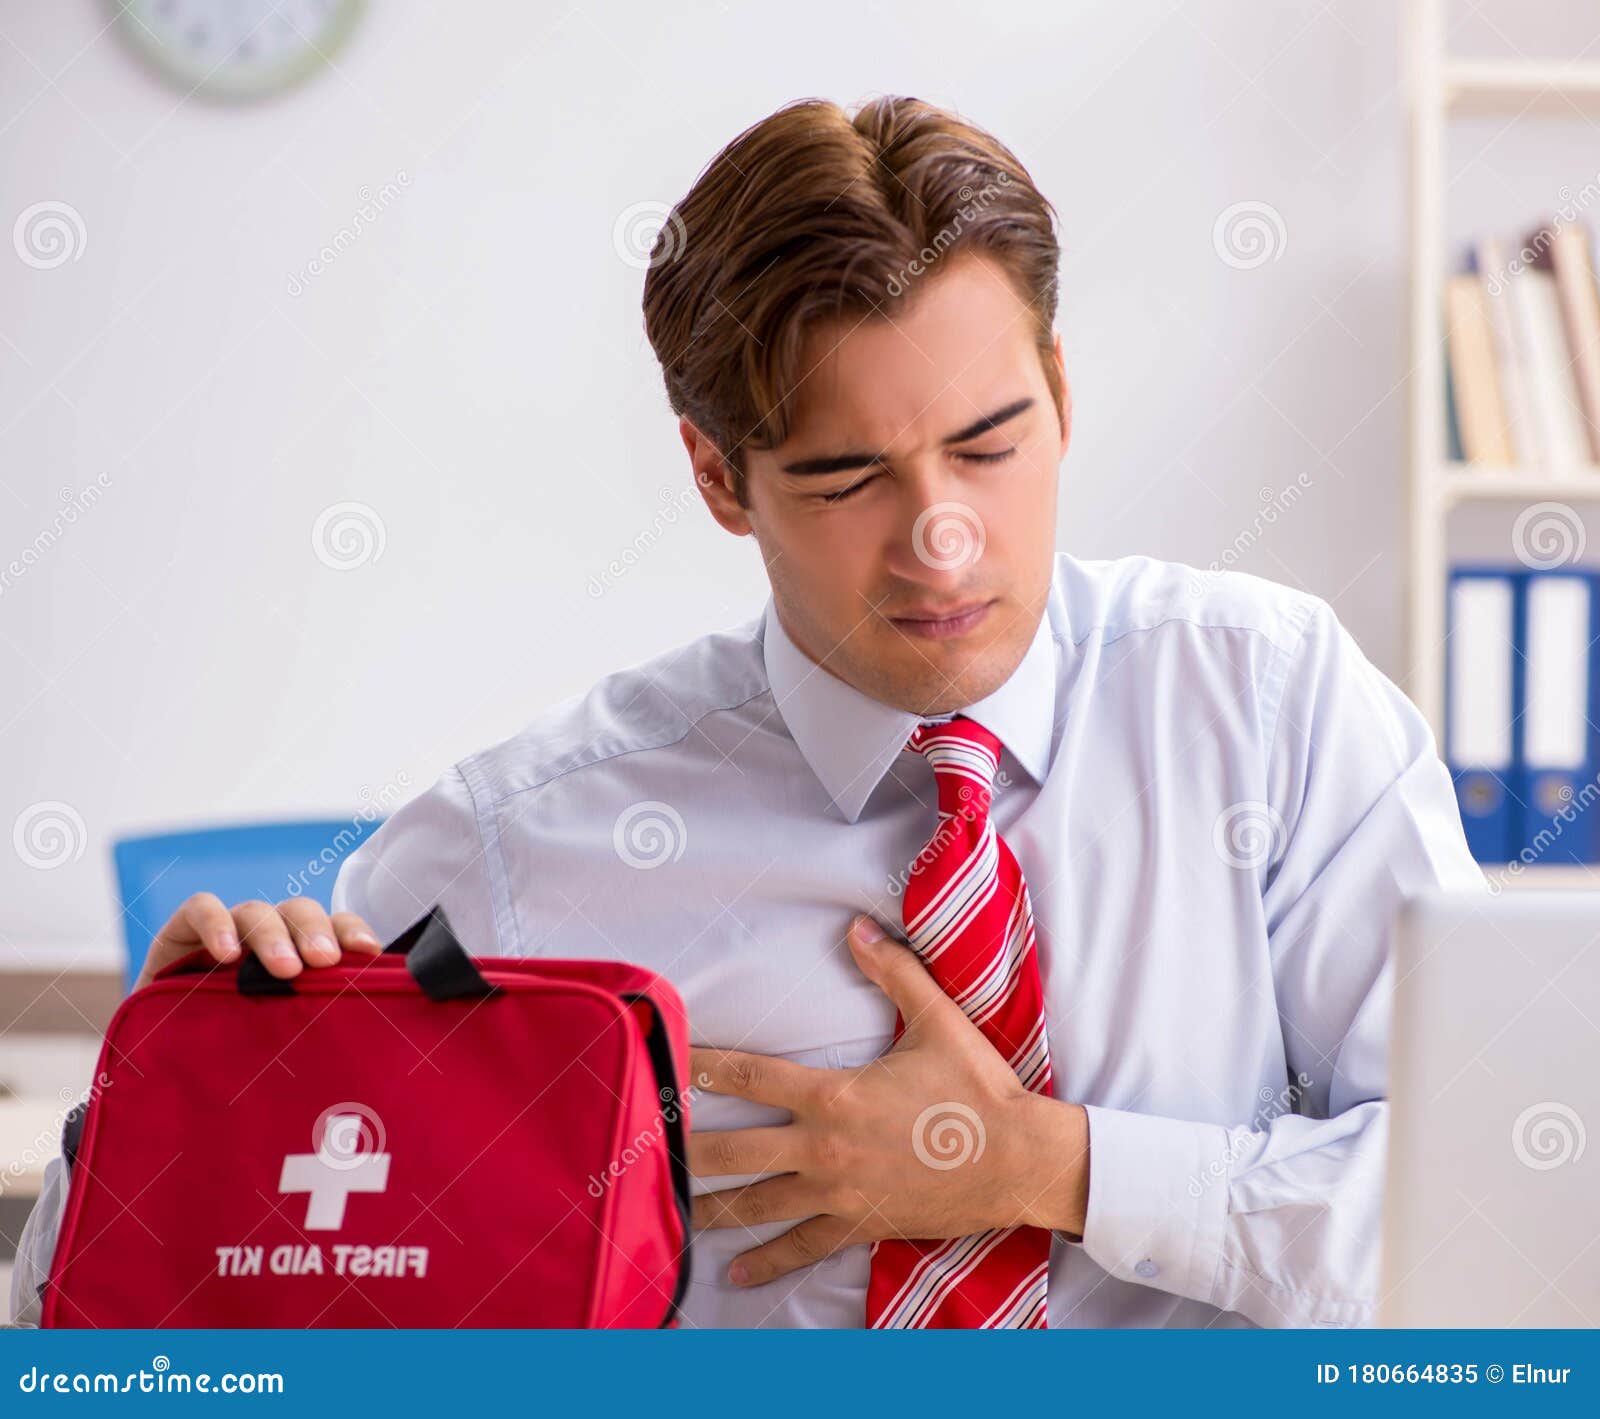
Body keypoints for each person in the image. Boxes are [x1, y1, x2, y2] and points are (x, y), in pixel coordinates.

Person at [10, 94, 1484, 1330]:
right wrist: (208, 1070)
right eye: (849, 480)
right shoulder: (527, 846)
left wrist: (1051, 1168)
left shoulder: (1270, 711)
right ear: (720, 478)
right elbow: (90, 1312)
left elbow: (1495, 1207)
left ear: (1061, 391)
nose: (941, 540)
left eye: (989, 446)